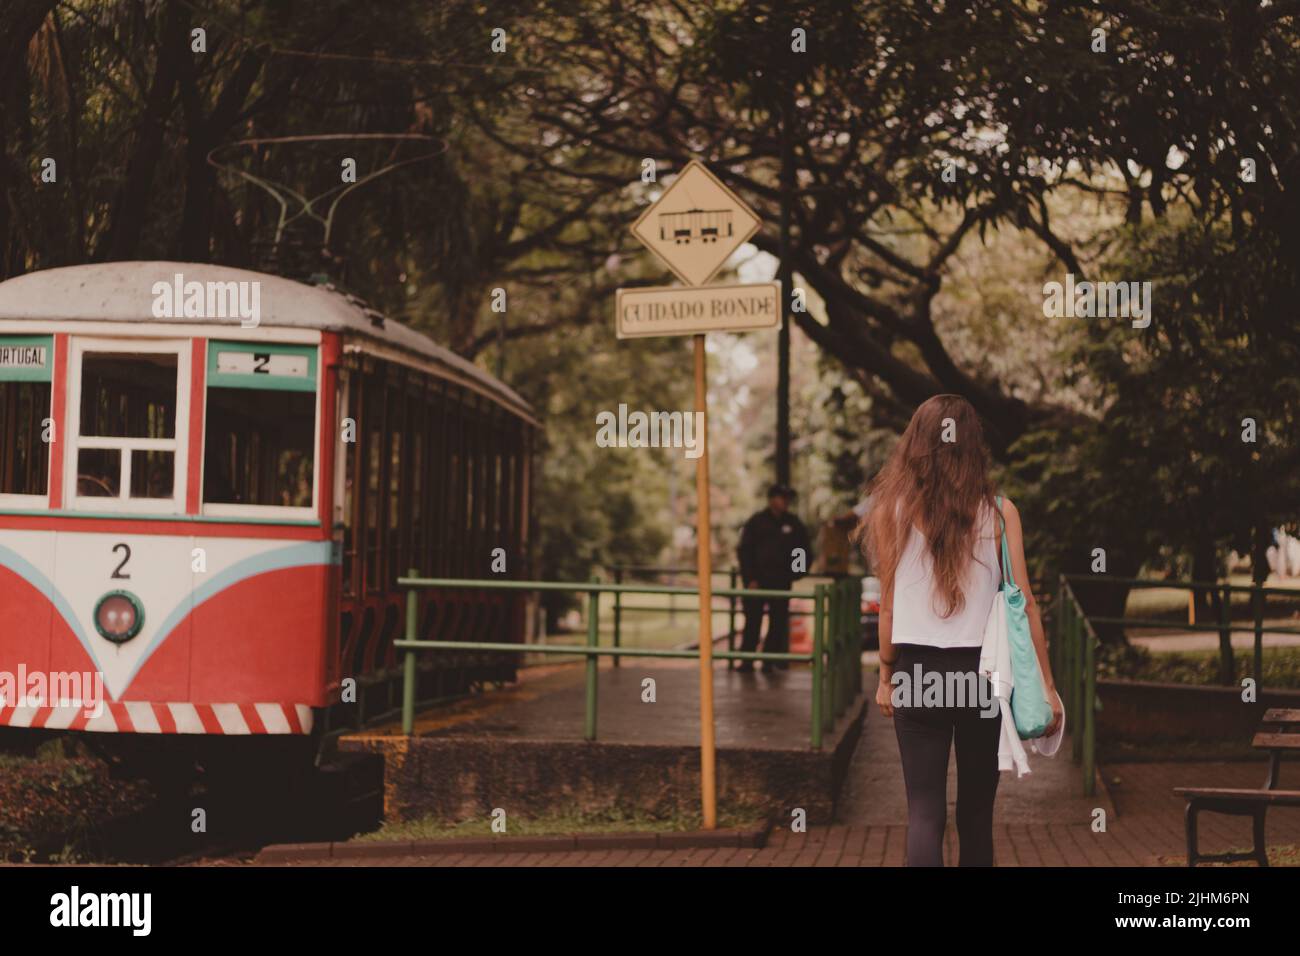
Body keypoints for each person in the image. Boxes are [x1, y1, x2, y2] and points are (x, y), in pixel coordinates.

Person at [854, 394, 1061, 866]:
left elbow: (887, 608)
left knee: (924, 813)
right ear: (973, 446)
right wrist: (1046, 686)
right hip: (981, 679)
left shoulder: (892, 512)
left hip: (916, 674)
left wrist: (886, 677)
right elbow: (1025, 603)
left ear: (917, 445)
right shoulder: (1000, 512)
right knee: (975, 813)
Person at [736, 483, 811, 674]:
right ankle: (747, 661)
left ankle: (768, 662)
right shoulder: (757, 522)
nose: (785, 502)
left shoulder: (793, 523)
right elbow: (745, 550)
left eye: (787, 498)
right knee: (753, 621)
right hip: (757, 582)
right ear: (771, 499)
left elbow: (803, 549)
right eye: (781, 497)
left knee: (778, 622)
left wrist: (796, 573)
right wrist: (750, 578)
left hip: (781, 581)